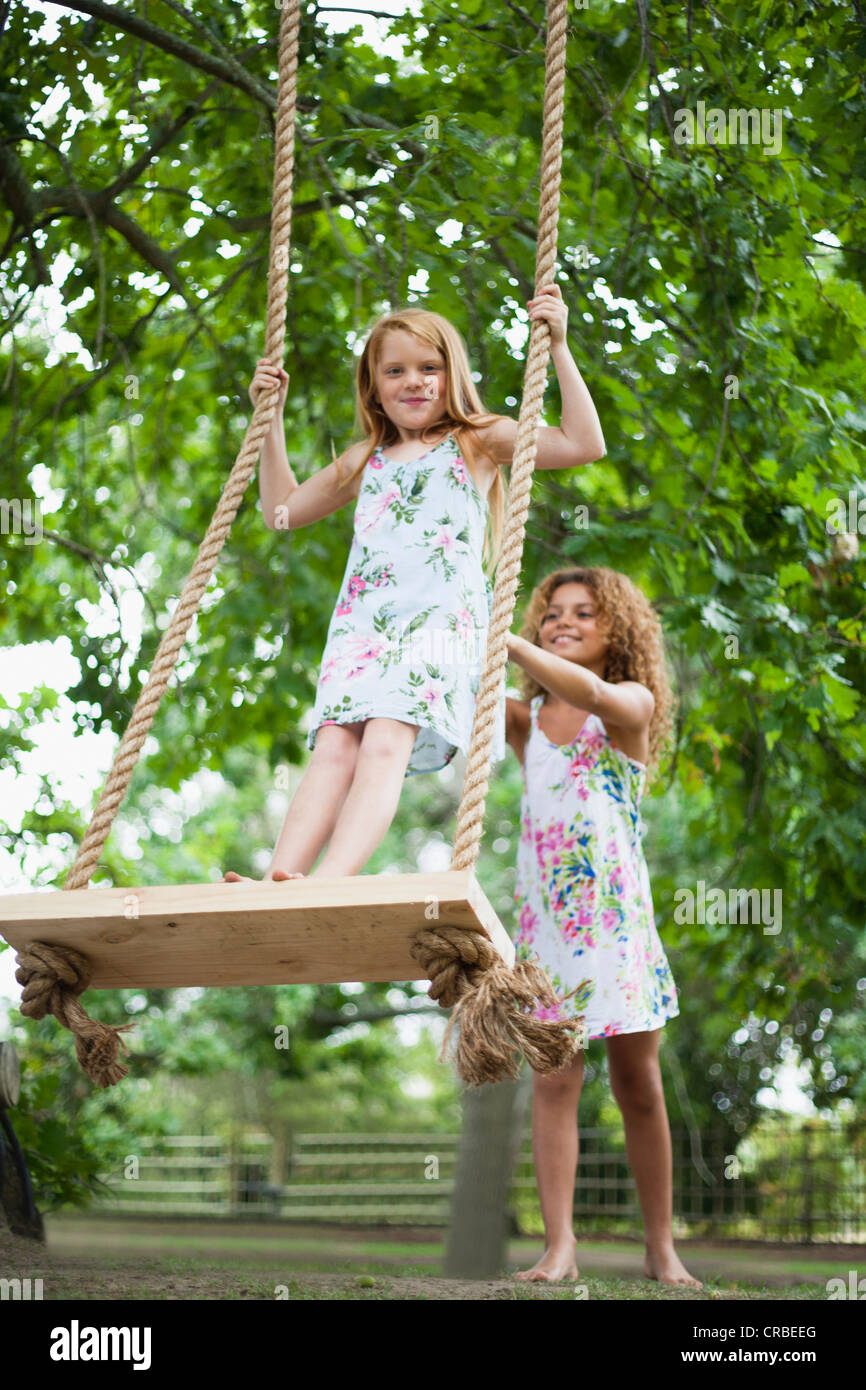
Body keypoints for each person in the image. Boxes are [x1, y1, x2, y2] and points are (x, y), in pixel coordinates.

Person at [224, 286, 606, 881]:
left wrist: (558, 346)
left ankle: (329, 882)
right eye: (396, 370)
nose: (415, 381)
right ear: (374, 386)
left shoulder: (474, 440)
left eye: (430, 368)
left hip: (434, 629)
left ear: (451, 374)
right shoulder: (366, 458)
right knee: (333, 747)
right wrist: (267, 421)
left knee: (383, 741)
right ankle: (280, 878)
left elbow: (583, 444)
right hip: (361, 627)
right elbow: (282, 511)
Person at [504, 567, 700, 1287]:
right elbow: (466, 687)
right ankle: (559, 1247)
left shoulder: (628, 705)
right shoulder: (521, 719)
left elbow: (585, 691)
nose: (563, 622)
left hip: (616, 928)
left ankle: (661, 1247)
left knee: (636, 1082)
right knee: (554, 1082)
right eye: (552, 613)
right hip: (548, 933)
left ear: (616, 630)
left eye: (583, 614)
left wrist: (514, 646)